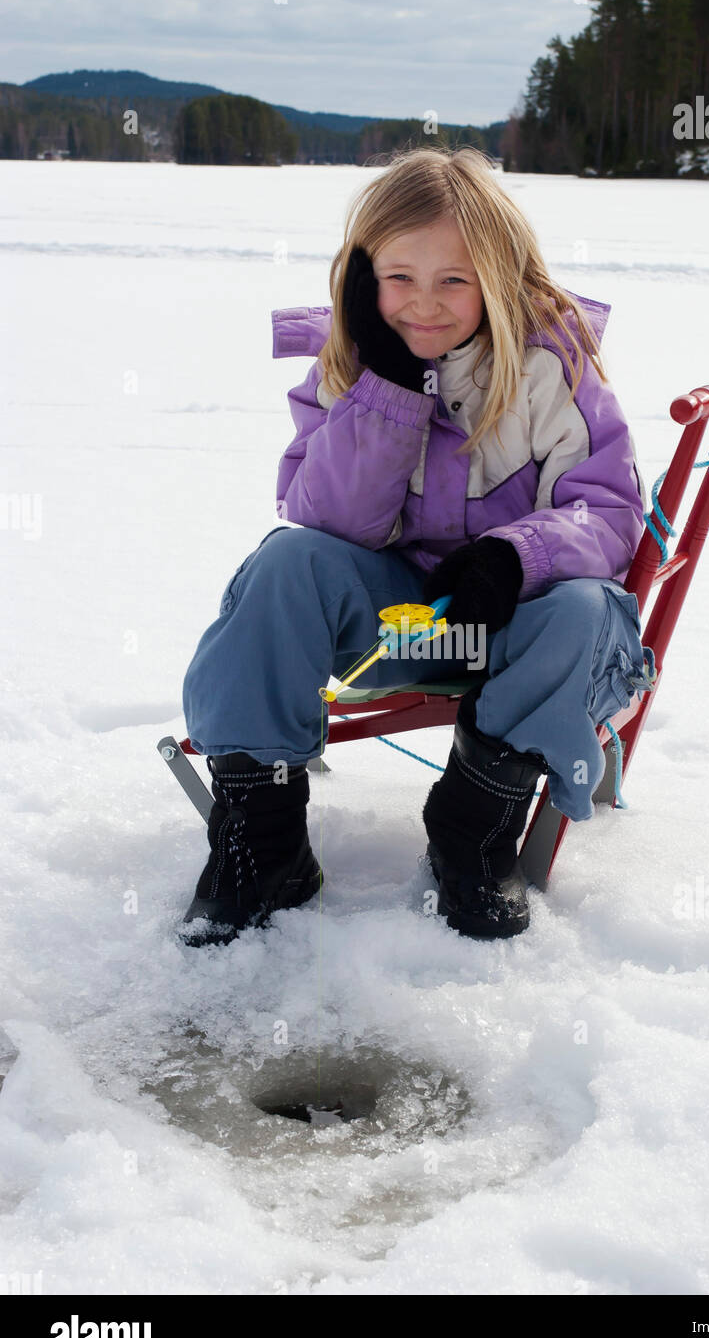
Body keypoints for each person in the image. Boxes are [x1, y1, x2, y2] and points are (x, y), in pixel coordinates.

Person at [179, 145, 651, 948]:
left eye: (454, 280)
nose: (423, 305)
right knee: (286, 564)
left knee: (585, 611)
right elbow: (331, 520)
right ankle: (262, 840)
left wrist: (517, 555)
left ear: (499, 278)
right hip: (401, 624)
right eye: (399, 279)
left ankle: (472, 838)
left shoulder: (548, 366)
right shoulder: (348, 365)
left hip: (515, 634)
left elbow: (607, 510)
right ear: (364, 279)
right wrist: (390, 386)